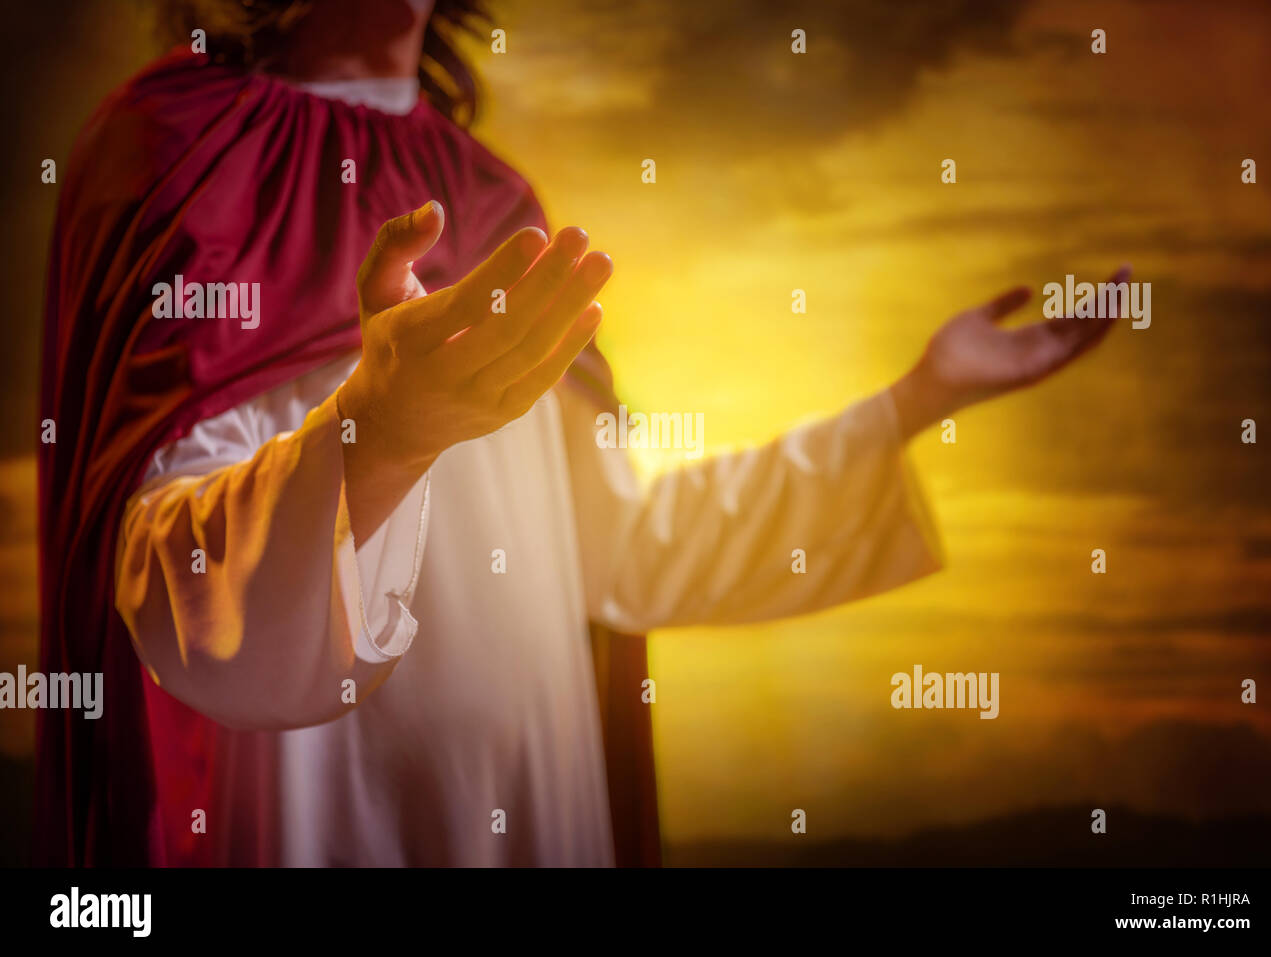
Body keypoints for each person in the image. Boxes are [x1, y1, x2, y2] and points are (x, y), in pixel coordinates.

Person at [37, 0, 1126, 866]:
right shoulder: (175, 150)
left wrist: (918, 399)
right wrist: (373, 439)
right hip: (306, 825)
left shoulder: (493, 196)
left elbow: (621, 553)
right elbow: (160, 579)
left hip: (537, 818)